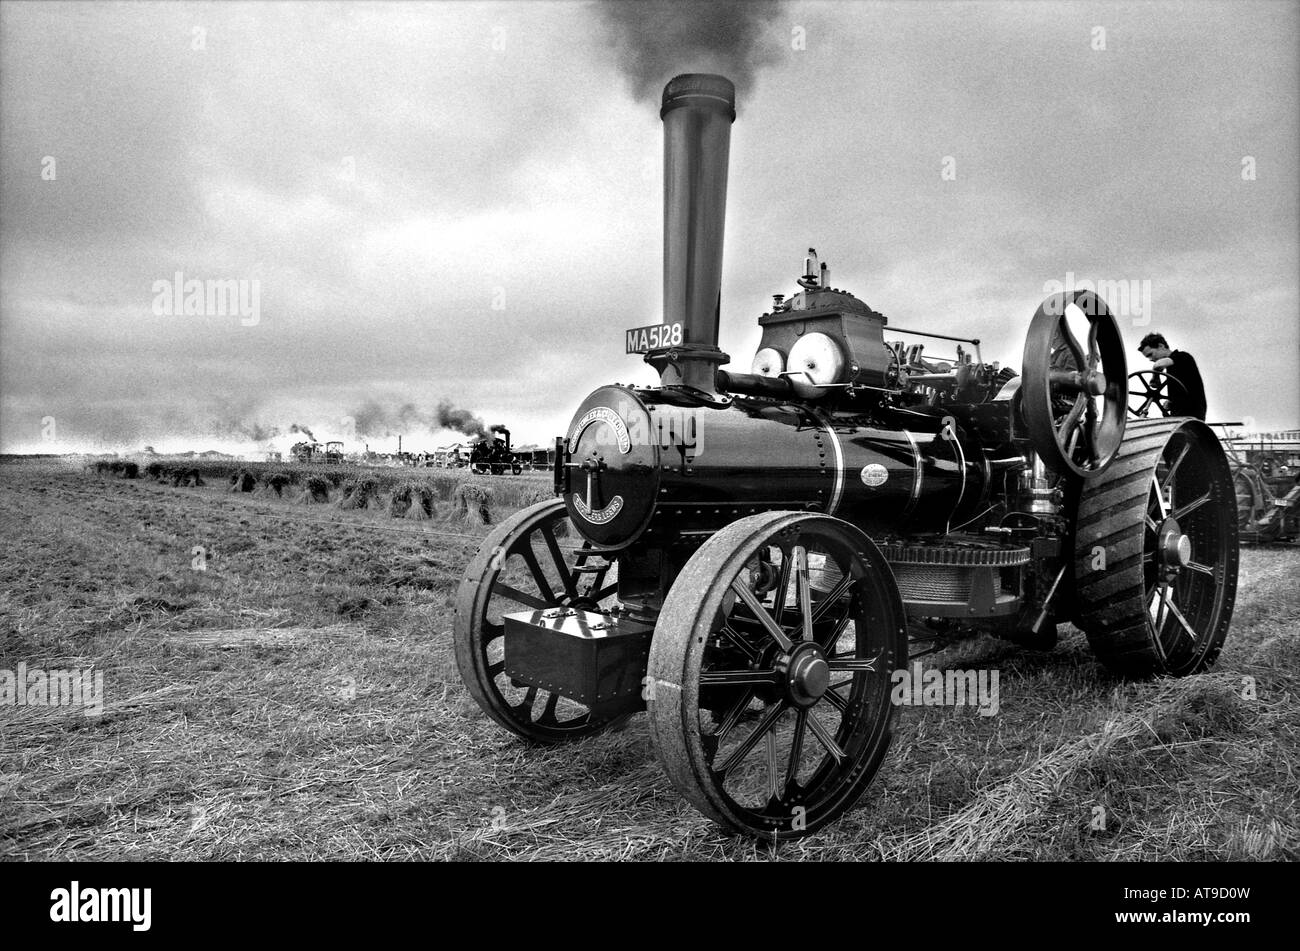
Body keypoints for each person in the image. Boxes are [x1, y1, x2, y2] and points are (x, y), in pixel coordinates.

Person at [1137, 332, 1207, 420]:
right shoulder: (1171, 368)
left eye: (1151, 355)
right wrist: (1171, 402)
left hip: (1191, 416)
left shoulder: (1182, 357)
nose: (1151, 359)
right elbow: (1183, 391)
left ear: (1161, 346)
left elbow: (1158, 365)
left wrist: (1155, 378)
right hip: (1180, 416)